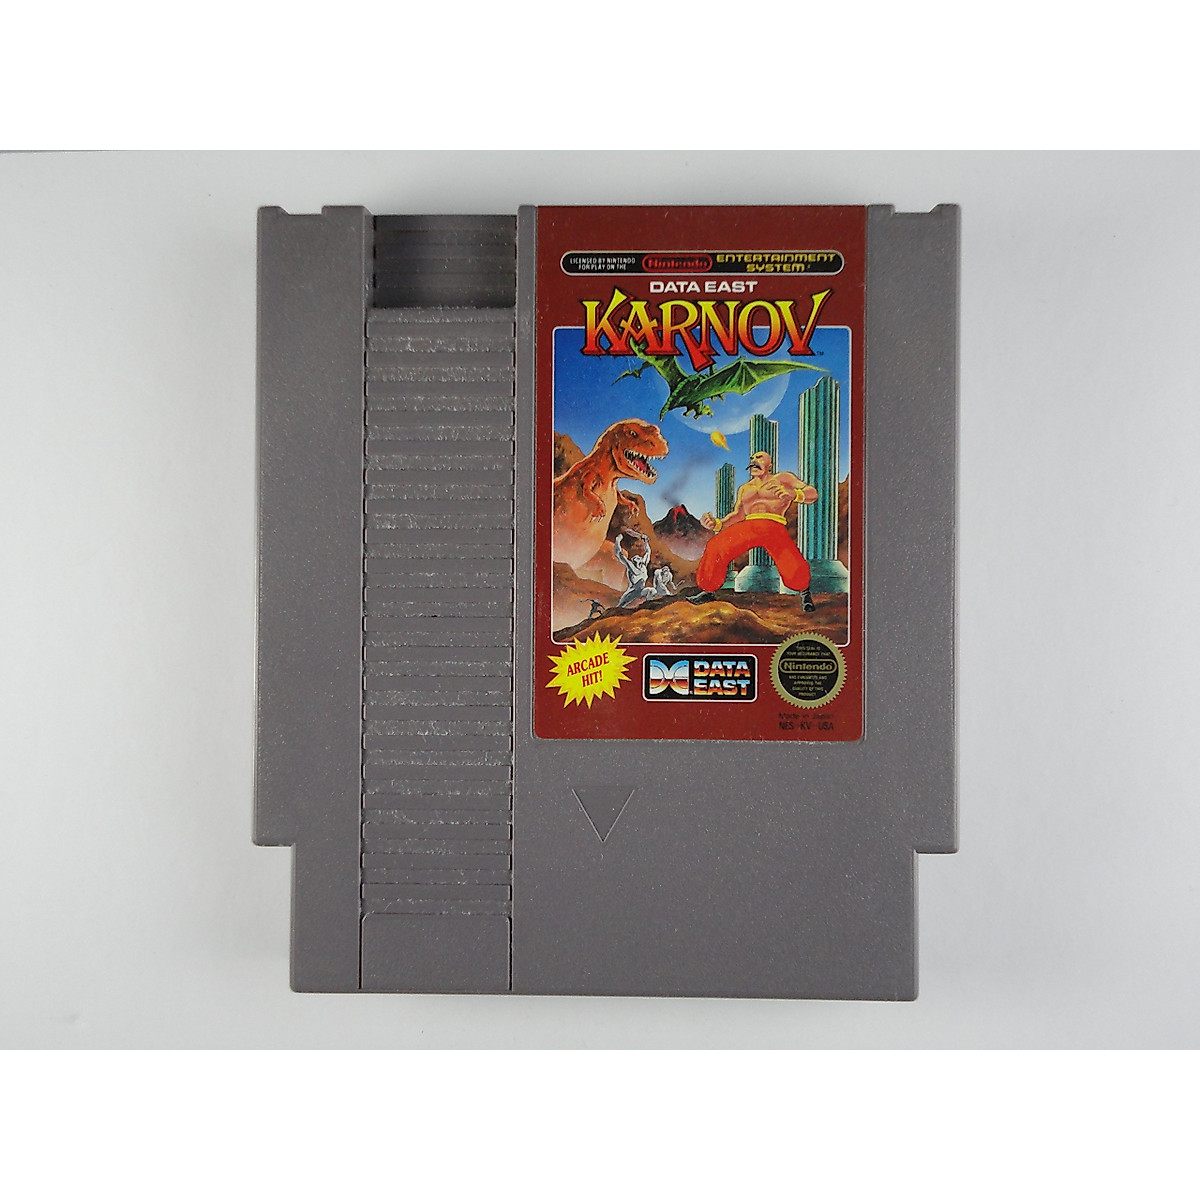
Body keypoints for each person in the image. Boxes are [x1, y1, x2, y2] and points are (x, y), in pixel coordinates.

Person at [696, 451, 818, 610]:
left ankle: (804, 593)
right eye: (752, 458)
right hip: (749, 525)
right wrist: (716, 524)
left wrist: (794, 494)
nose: (754, 461)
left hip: (773, 525)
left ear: (770, 465)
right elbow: (738, 515)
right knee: (715, 545)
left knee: (791, 561)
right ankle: (708, 590)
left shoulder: (783, 479)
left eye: (759, 457)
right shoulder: (745, 488)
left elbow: (813, 494)